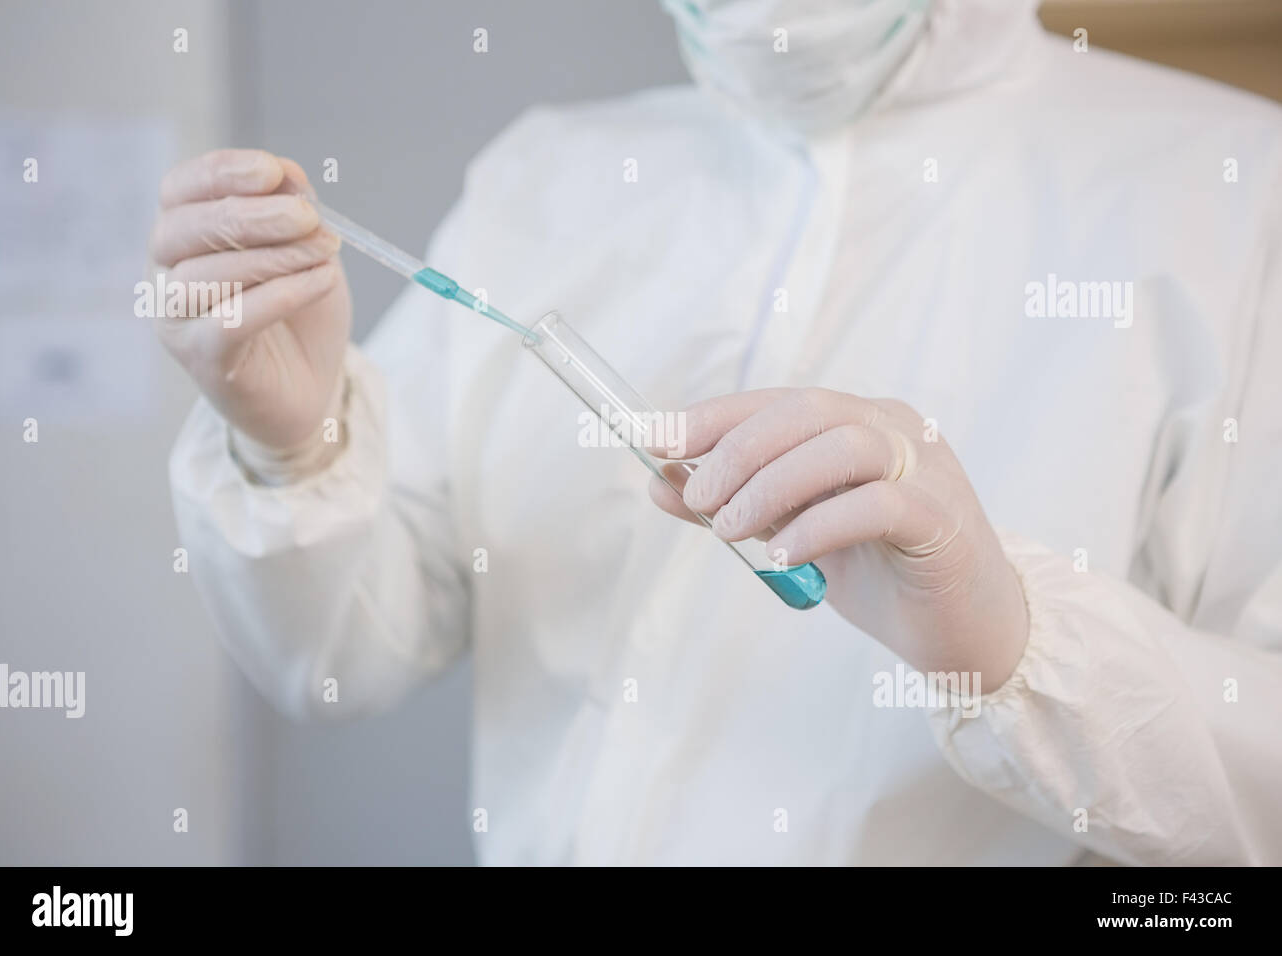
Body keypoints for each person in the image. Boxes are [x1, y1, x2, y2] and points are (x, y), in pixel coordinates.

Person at [149, 0, 1282, 865]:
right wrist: (293, 447)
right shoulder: (549, 172)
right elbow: (344, 657)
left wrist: (1012, 635)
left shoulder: (1234, 193)